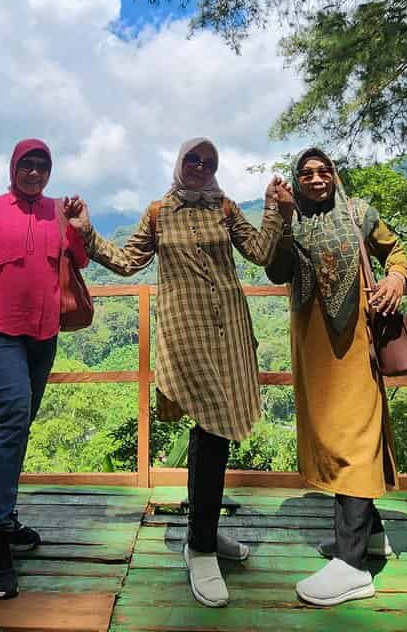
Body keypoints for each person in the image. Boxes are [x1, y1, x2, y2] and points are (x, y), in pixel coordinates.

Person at [68, 138, 293, 609]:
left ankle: (202, 533)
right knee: (211, 428)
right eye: (192, 159)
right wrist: (86, 234)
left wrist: (274, 208)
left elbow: (259, 252)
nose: (199, 167)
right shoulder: (158, 212)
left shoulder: (225, 207)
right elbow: (129, 262)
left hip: (229, 327)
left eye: (208, 162)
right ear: (179, 163)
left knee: (218, 432)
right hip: (185, 332)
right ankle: (202, 548)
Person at [0, 138, 89, 600]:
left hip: (42, 334)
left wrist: (80, 227)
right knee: (11, 420)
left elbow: (78, 261)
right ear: (13, 167)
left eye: (42, 165)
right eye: (27, 164)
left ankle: (1, 512)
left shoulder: (58, 212)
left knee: (19, 425)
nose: (34, 172)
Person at [265, 147, 407, 607]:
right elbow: (275, 271)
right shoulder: (293, 222)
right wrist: (281, 219)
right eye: (306, 173)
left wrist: (396, 280)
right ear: (296, 180)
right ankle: (369, 536)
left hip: (357, 343)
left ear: (334, 175)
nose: (316, 179)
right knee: (332, 435)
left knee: (354, 436)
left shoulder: (359, 212)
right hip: (314, 348)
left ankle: (351, 567)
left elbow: (397, 251)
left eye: (323, 171)